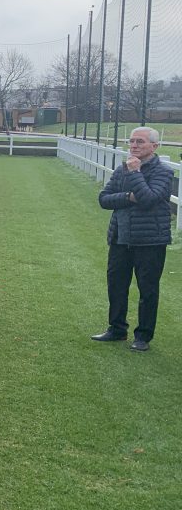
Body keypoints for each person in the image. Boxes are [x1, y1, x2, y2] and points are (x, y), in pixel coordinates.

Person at [91, 127, 173, 352]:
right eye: (132, 141)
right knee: (116, 285)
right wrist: (128, 196)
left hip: (150, 240)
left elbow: (148, 199)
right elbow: (104, 199)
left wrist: (136, 173)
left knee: (148, 289)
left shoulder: (163, 172)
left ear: (154, 146)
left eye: (140, 142)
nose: (134, 145)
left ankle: (143, 336)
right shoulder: (122, 169)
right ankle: (117, 329)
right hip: (120, 237)